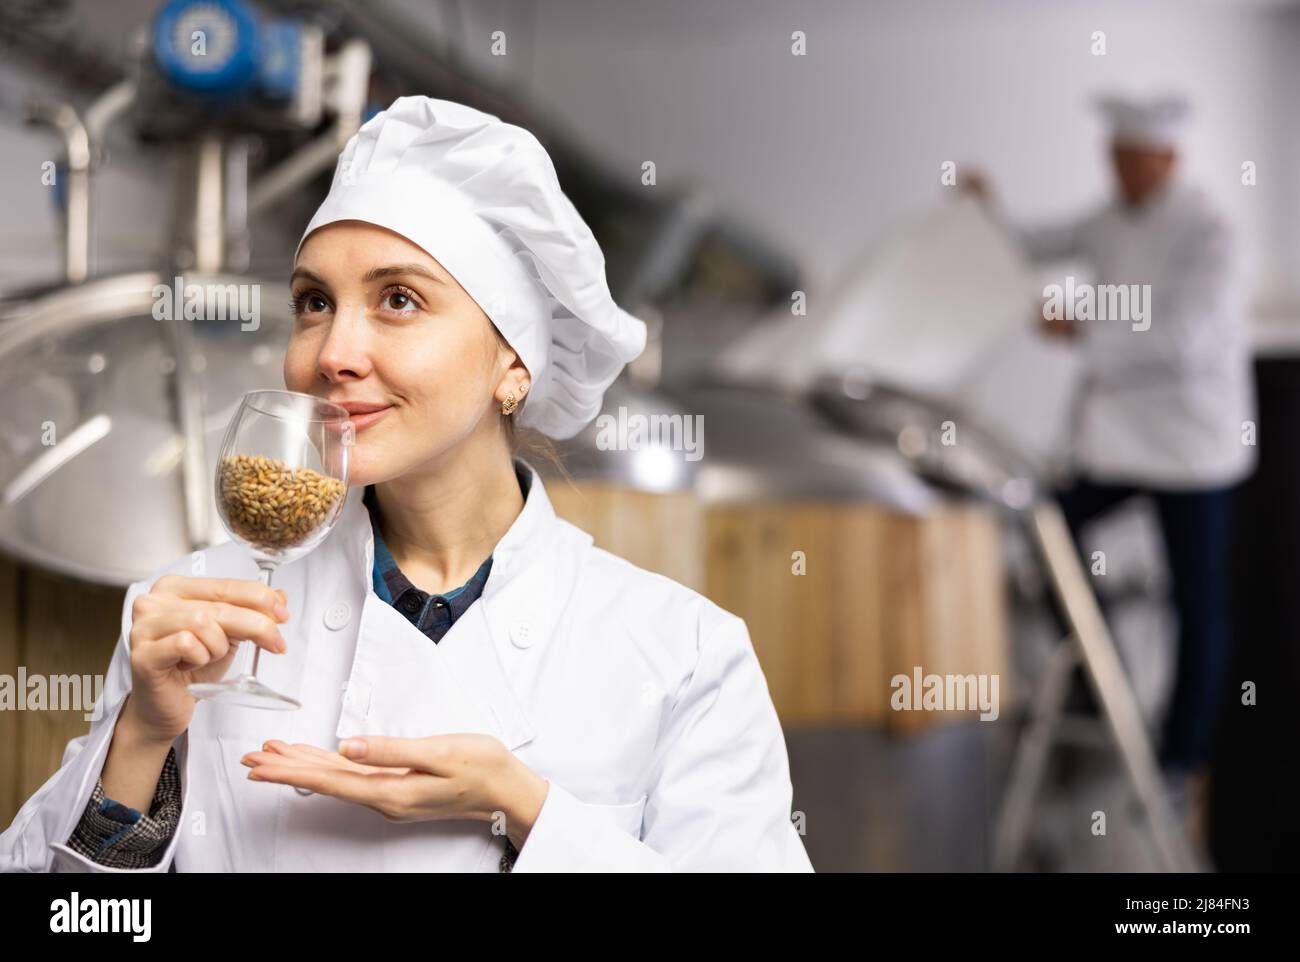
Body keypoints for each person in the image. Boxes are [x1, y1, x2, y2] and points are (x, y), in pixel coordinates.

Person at [0, 96, 814, 873]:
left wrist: (526, 808)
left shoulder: (682, 655)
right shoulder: (195, 610)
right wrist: (141, 737)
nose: (332, 352)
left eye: (398, 300)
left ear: (514, 363)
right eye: (314, 302)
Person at [966, 94, 1255, 837]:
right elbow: (1029, 244)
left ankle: (1180, 760)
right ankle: (1098, 689)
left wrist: (1084, 326)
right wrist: (985, 212)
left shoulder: (1211, 231)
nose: (1119, 173)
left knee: (1199, 606)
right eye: (1112, 160)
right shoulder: (1106, 220)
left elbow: (1188, 338)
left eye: (1130, 160)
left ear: (1166, 158)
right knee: (1051, 530)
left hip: (1192, 447)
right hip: (1122, 439)